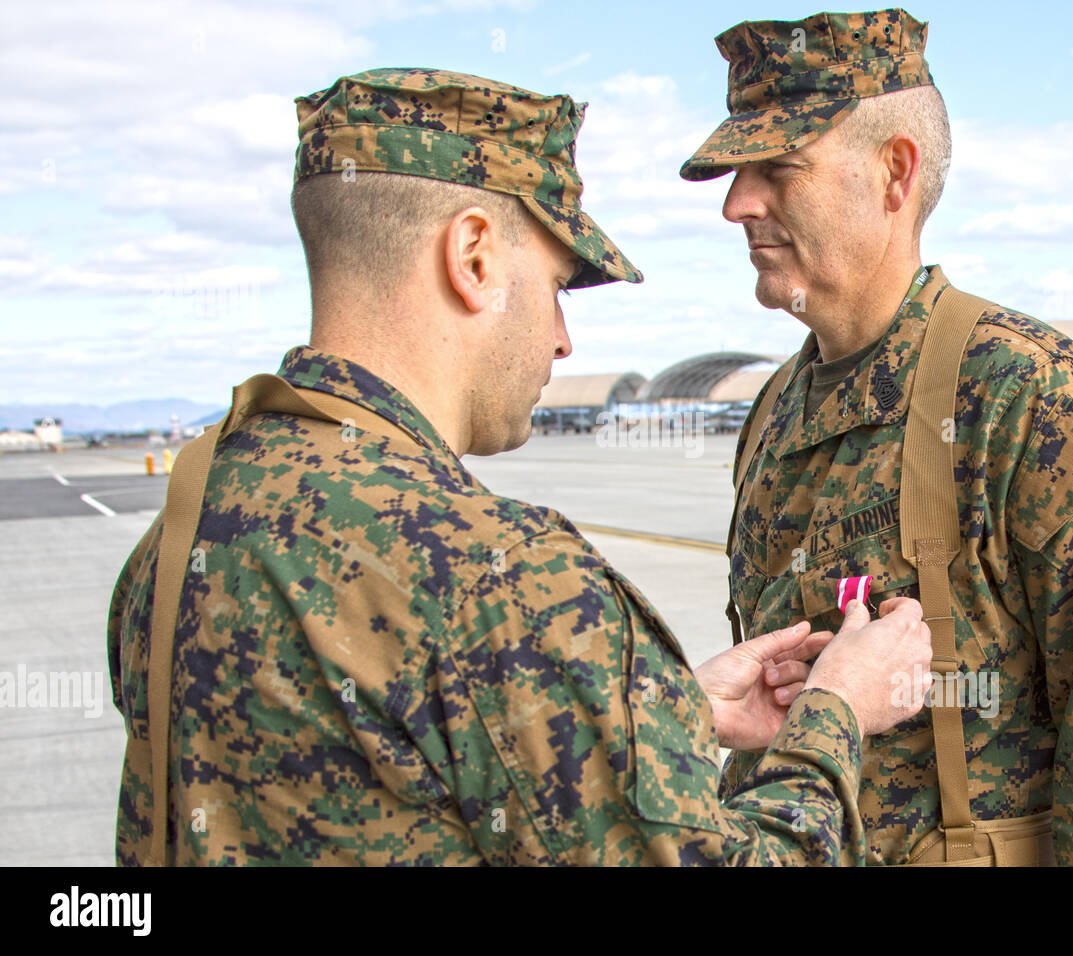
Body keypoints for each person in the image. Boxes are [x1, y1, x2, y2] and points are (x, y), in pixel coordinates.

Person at [107, 67, 934, 866]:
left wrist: (661, 707)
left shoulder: (193, 526)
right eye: (557, 283)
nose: (563, 339)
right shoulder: (500, 577)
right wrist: (835, 712)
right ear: (472, 258)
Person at [680, 9, 1073, 865]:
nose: (737, 203)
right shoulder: (776, 406)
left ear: (894, 173)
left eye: (777, 168)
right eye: (738, 172)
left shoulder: (1027, 398)